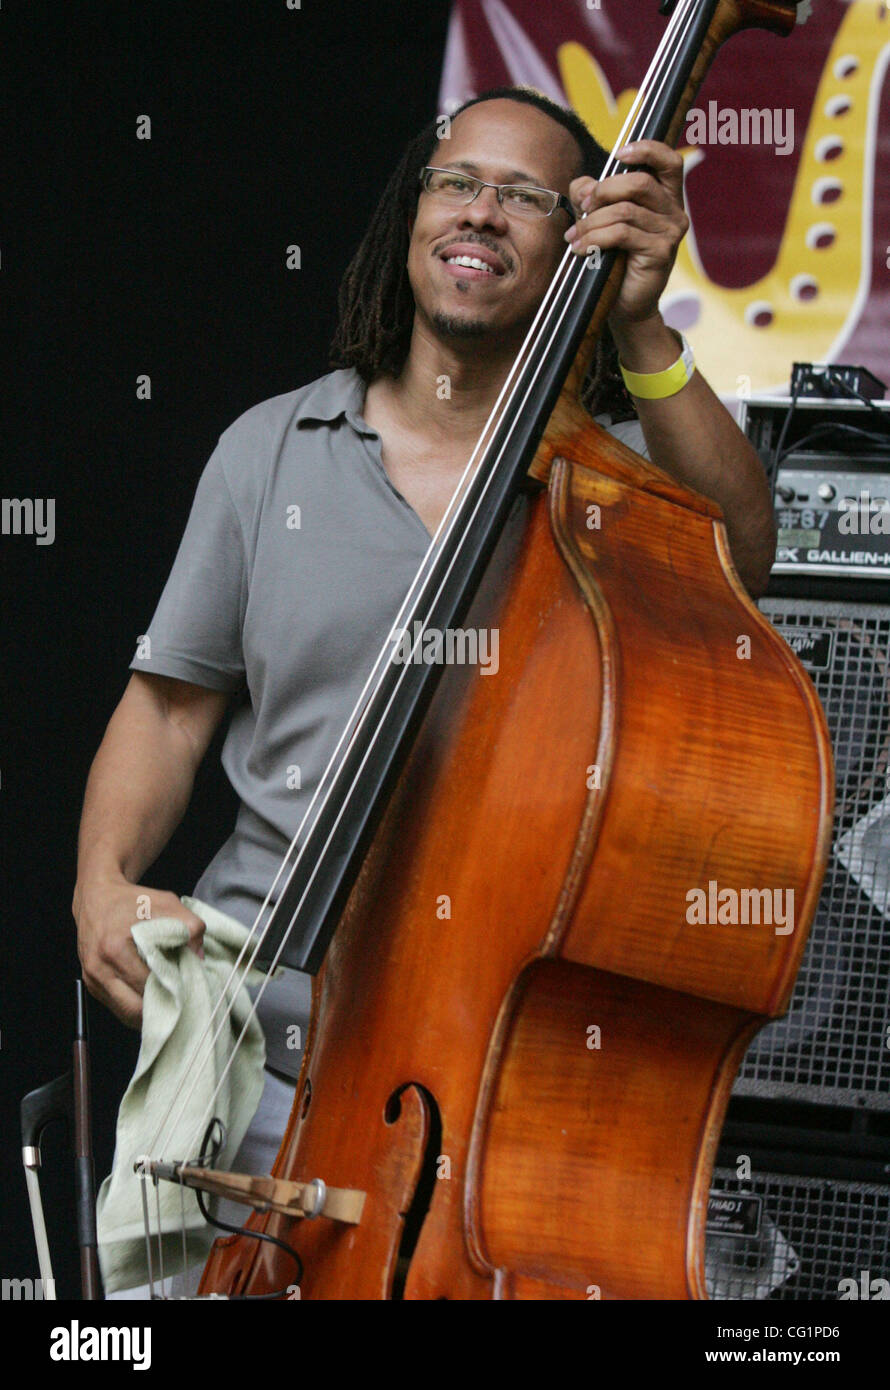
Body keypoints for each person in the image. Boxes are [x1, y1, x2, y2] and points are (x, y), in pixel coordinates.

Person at [73, 87, 777, 1294]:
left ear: (578, 239)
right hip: (241, 1042)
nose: (482, 213)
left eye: (525, 197)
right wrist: (99, 882)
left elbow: (741, 564)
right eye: (458, 182)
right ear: (413, 212)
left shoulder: (613, 502)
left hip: (473, 1079)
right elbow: (168, 706)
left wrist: (646, 335)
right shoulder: (270, 452)